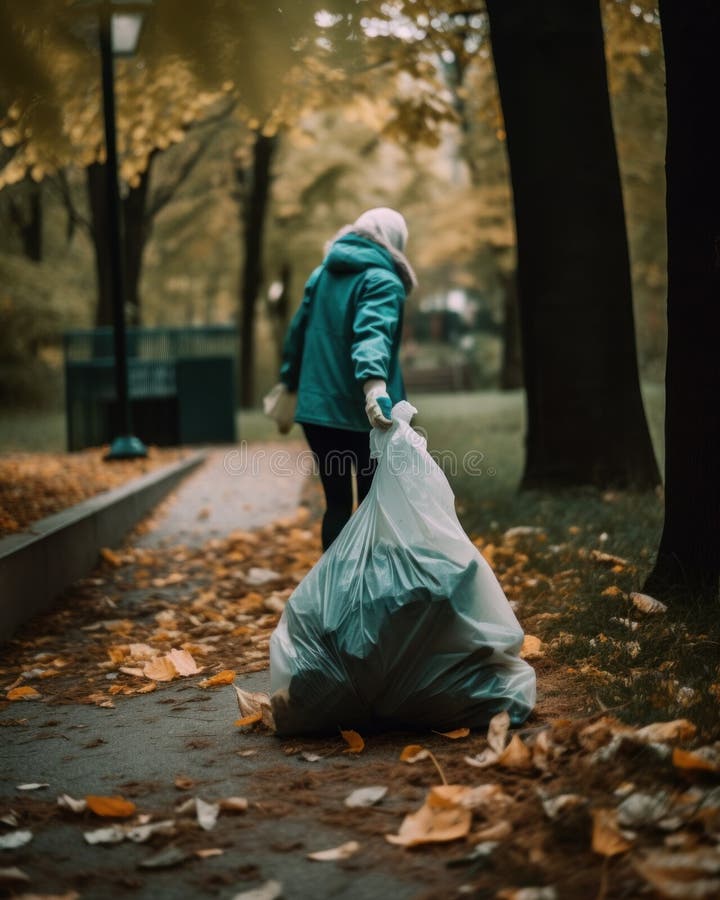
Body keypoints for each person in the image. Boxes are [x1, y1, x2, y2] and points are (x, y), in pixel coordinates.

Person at [272, 207, 416, 551]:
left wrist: (288, 384)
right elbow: (373, 336)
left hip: (317, 414)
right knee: (371, 507)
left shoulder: (321, 274)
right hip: (366, 414)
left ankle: (334, 596)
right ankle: (367, 594)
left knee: (336, 504)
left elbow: (297, 335)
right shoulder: (383, 280)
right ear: (394, 241)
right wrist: (375, 387)